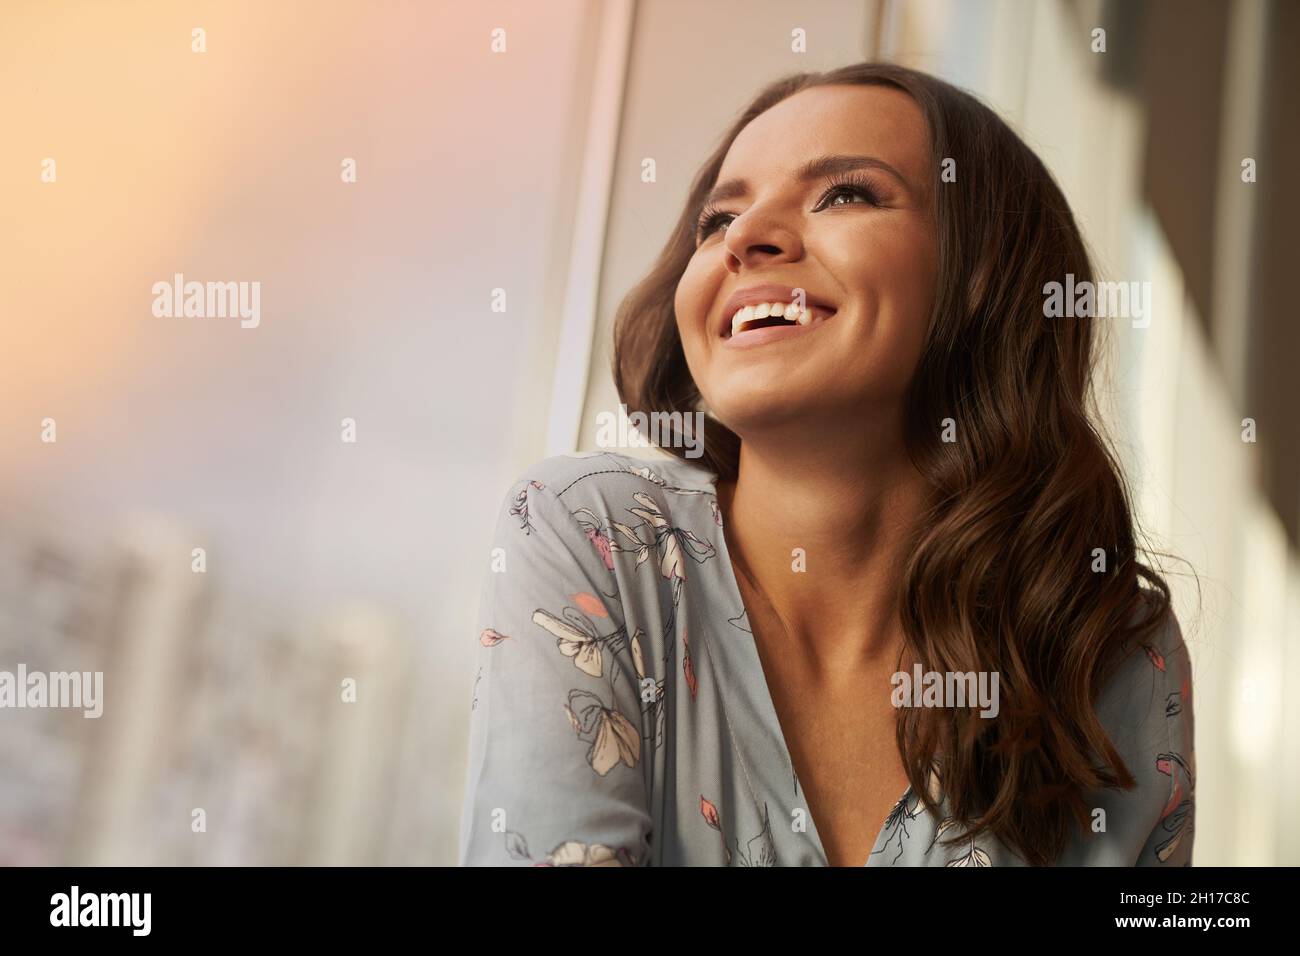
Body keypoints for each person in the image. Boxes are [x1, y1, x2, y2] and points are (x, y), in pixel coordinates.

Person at [458, 62, 1195, 867]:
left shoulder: (1107, 647)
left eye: (846, 194)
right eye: (717, 219)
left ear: (985, 278)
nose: (745, 238)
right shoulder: (592, 537)